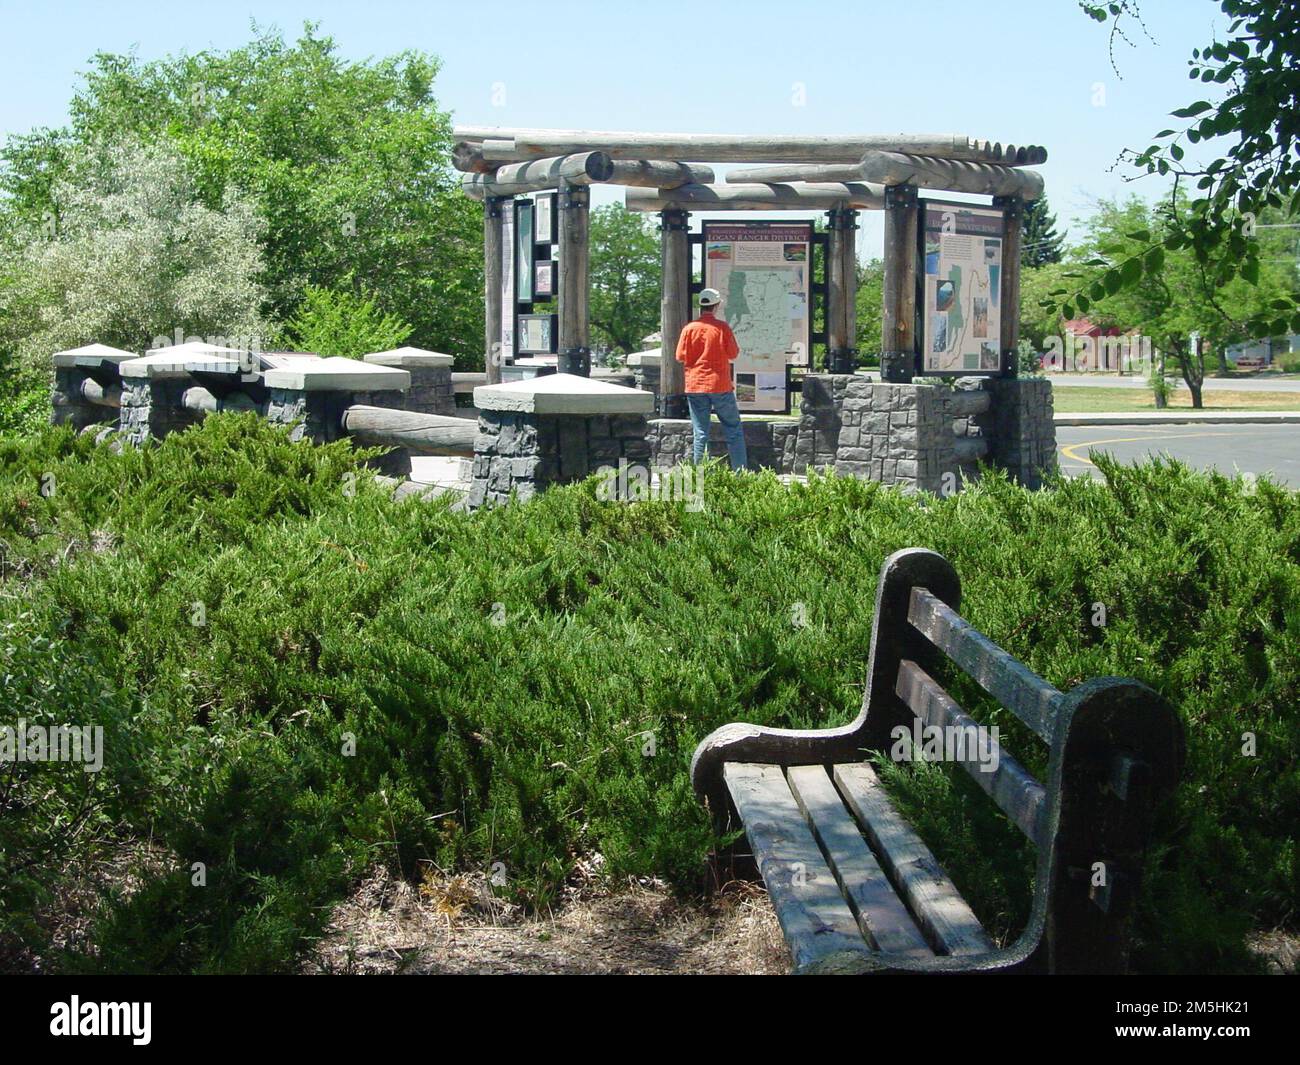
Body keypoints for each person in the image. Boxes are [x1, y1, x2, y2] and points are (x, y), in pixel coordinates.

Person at [675, 288, 748, 470]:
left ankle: (702, 474)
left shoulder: (688, 329)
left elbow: (679, 356)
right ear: (716, 306)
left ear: (700, 306)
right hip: (720, 384)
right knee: (733, 429)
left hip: (695, 385)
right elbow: (733, 353)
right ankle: (740, 472)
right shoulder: (722, 328)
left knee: (700, 432)